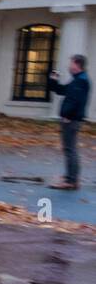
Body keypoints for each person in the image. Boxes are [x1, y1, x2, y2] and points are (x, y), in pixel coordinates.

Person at [48, 54, 89, 191]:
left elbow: (75, 101)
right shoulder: (77, 80)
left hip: (71, 120)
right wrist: (53, 80)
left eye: (71, 63)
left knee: (70, 150)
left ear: (77, 64)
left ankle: (71, 181)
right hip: (71, 119)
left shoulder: (81, 81)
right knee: (70, 149)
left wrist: (67, 116)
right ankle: (70, 178)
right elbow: (61, 91)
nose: (69, 66)